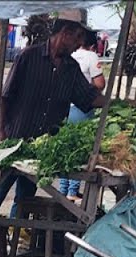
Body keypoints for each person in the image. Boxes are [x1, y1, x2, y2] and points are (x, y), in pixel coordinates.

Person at [0, 17, 107, 221]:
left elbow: (87, 97)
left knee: (24, 201)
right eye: (77, 37)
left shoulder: (71, 68)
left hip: (41, 149)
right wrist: (1, 132)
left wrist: (115, 103)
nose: (79, 44)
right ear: (65, 33)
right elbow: (5, 96)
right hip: (14, 140)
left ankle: (12, 235)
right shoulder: (28, 57)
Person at [60, 29, 106, 201]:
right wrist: (87, 92)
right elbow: (100, 83)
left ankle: (63, 190)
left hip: (65, 109)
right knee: (79, 150)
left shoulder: (68, 56)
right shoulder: (91, 57)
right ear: (93, 45)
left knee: (65, 149)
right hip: (82, 109)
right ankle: (73, 191)